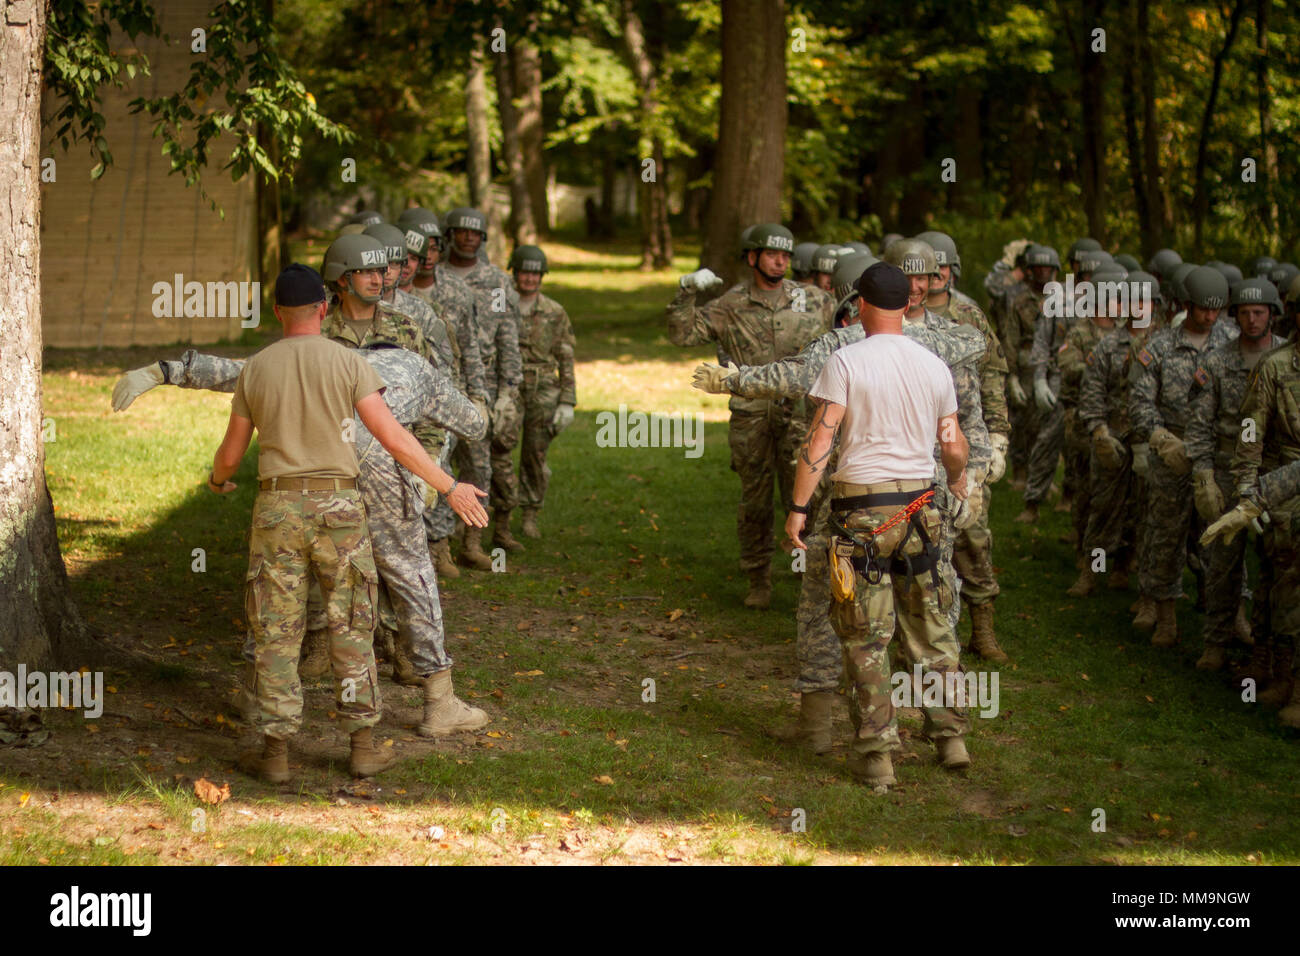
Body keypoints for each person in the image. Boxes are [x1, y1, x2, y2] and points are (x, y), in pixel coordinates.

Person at [208, 265, 489, 783]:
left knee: (277, 629)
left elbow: (231, 454)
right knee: (354, 625)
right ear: (323, 308)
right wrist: (448, 485)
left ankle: (274, 754)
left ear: (275, 312)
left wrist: (219, 480)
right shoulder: (349, 364)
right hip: (340, 509)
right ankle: (362, 747)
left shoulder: (257, 368)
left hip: (279, 509)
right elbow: (394, 439)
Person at [785, 262, 972, 789]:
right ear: (908, 305)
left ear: (861, 305)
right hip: (921, 513)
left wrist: (798, 508)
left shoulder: (844, 361)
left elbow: (821, 442)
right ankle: (950, 737)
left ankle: (877, 756)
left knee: (867, 638)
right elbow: (953, 443)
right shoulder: (934, 365)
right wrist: (956, 479)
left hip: (859, 515)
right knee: (932, 629)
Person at [667, 222, 834, 608]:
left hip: (800, 415)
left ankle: (809, 574)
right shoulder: (732, 303)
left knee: (807, 495)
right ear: (752, 257)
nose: (781, 262)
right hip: (751, 417)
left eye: (786, 256)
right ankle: (758, 577)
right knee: (755, 500)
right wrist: (686, 290)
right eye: (772, 254)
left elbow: (845, 327)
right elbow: (682, 333)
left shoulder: (811, 299)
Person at [1129, 266, 1236, 646]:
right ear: (1186, 305)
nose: (1210, 317)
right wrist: (1159, 439)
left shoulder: (1232, 343)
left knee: (1222, 538)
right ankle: (1165, 613)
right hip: (1172, 452)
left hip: (1217, 455)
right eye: (1202, 309)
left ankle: (1227, 619)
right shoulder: (1158, 347)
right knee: (1165, 535)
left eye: (1216, 309)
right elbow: (1140, 401)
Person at [1186, 277, 1286, 672]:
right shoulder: (1216, 361)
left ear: (1272, 314)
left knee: (1275, 566)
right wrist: (1203, 473)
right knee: (1222, 563)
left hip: (1275, 474)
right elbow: (1200, 423)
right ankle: (1216, 640)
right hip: (1228, 469)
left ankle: (1268, 650)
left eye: (1258, 312)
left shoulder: (1284, 359)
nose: (1251, 319)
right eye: (1243, 312)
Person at [491, 245, 578, 540]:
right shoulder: (500, 304)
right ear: (515, 273)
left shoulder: (554, 312)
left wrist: (567, 401)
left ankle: (530, 514)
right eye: (524, 272)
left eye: (535, 273)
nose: (529, 279)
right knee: (500, 446)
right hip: (510, 386)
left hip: (543, 390)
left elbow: (565, 356)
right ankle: (500, 512)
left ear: (542, 276)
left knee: (535, 455)